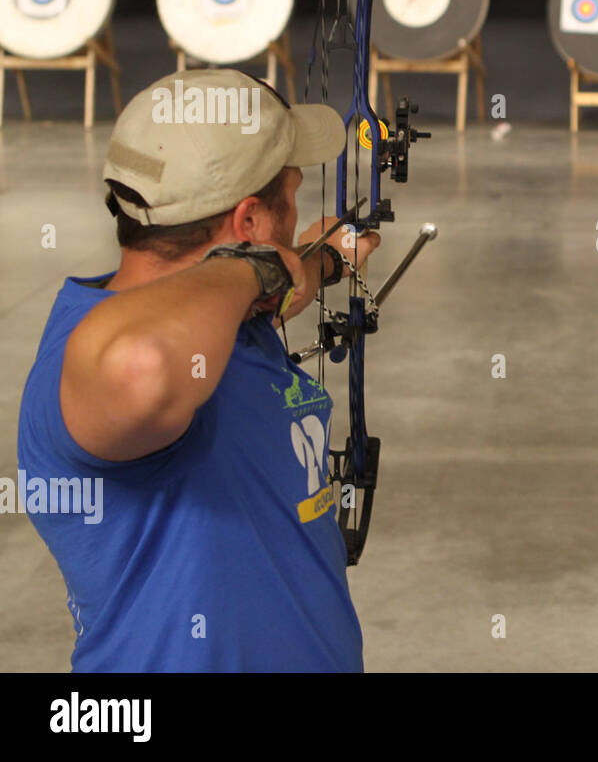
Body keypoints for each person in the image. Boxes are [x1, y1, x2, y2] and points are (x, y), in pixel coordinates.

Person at [18, 69, 380, 671]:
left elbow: (260, 291)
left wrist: (325, 263)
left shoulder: (221, 310)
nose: (296, 214)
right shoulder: (99, 355)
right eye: (290, 196)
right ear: (248, 227)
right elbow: (146, 363)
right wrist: (256, 269)